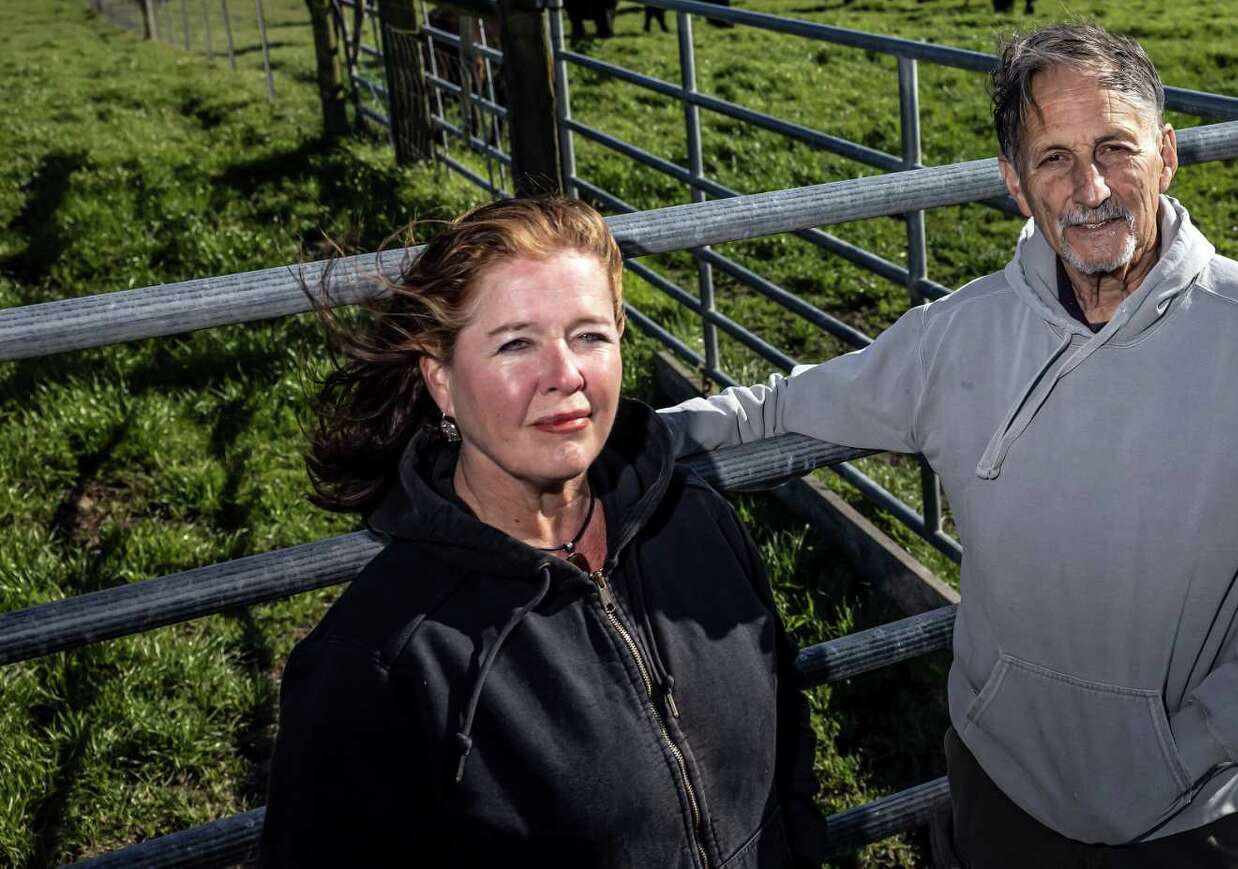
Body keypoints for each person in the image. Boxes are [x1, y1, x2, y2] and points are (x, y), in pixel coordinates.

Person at [661, 23, 1238, 865]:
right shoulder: (959, 337)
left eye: (1115, 148)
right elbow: (779, 409)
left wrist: (1189, 746)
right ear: (1014, 181)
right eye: (1054, 159)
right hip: (998, 785)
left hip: (1187, 817)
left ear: (1167, 154)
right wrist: (609, 440)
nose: (1091, 187)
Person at [260, 197, 824, 868]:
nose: (565, 376)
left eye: (589, 336)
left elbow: (787, 739)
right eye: (516, 343)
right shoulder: (380, 659)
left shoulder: (695, 521)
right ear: (441, 380)